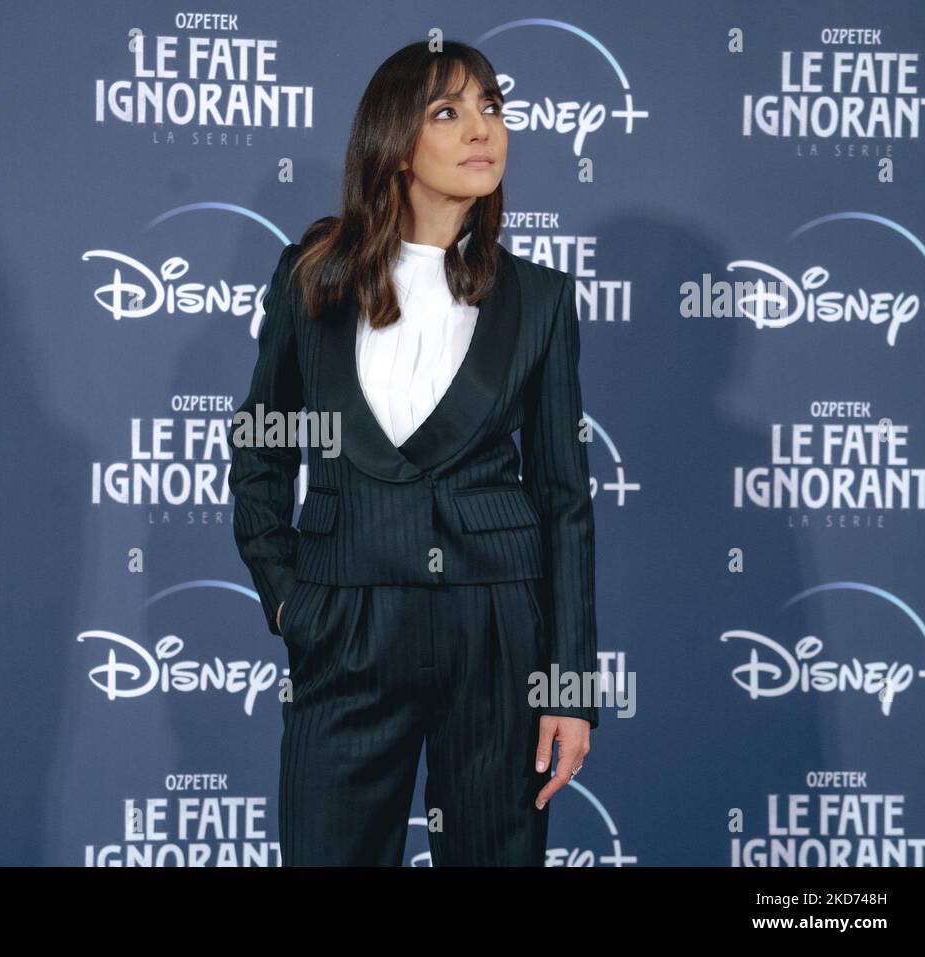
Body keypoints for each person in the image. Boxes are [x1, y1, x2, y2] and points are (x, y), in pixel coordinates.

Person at [230, 40, 597, 867]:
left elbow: (564, 496)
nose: (482, 129)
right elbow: (260, 446)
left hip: (496, 627)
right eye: (449, 111)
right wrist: (289, 596)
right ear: (395, 144)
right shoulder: (311, 277)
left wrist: (569, 686)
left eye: (492, 108)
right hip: (345, 619)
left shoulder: (540, 298)